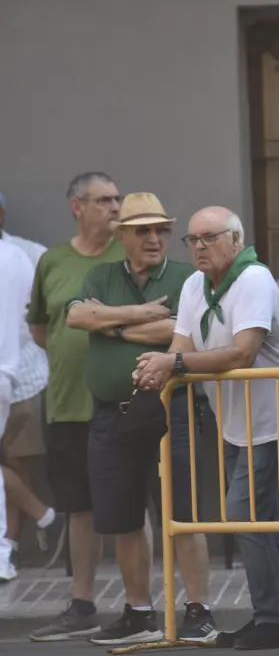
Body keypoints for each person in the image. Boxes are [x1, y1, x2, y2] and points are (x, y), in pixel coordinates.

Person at [134, 207, 279, 650]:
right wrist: (159, 367)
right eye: (192, 239)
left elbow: (243, 353)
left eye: (209, 237)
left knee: (247, 515)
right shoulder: (194, 285)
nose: (199, 247)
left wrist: (174, 363)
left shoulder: (254, 279)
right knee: (256, 520)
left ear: (235, 239)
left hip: (270, 421)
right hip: (231, 421)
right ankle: (271, 619)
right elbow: (182, 344)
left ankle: (272, 620)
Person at [65, 193, 215, 645]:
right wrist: (137, 315)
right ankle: (138, 611)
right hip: (113, 413)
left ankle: (198, 611)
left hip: (176, 409)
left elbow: (179, 329)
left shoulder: (189, 277)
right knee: (125, 516)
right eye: (143, 230)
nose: (154, 238)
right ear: (121, 235)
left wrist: (109, 325)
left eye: (161, 230)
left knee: (184, 513)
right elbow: (76, 315)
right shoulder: (101, 273)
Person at [27, 172, 126, 642]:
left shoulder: (128, 256)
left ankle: (139, 603)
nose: (114, 206)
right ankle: (82, 604)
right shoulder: (53, 260)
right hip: (67, 404)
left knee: (131, 504)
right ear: (77, 207)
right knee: (78, 507)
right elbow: (41, 329)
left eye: (116, 199)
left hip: (122, 402)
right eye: (103, 200)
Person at [0, 191, 56, 564]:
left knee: (18, 461)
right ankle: (43, 515)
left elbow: (48, 312)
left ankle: (10, 543)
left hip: (24, 376)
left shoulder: (28, 253)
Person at [0, 231, 34, 582]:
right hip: (8, 374)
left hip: (14, 376)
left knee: (11, 464)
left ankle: (4, 549)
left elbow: (33, 317)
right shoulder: (18, 257)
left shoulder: (19, 256)